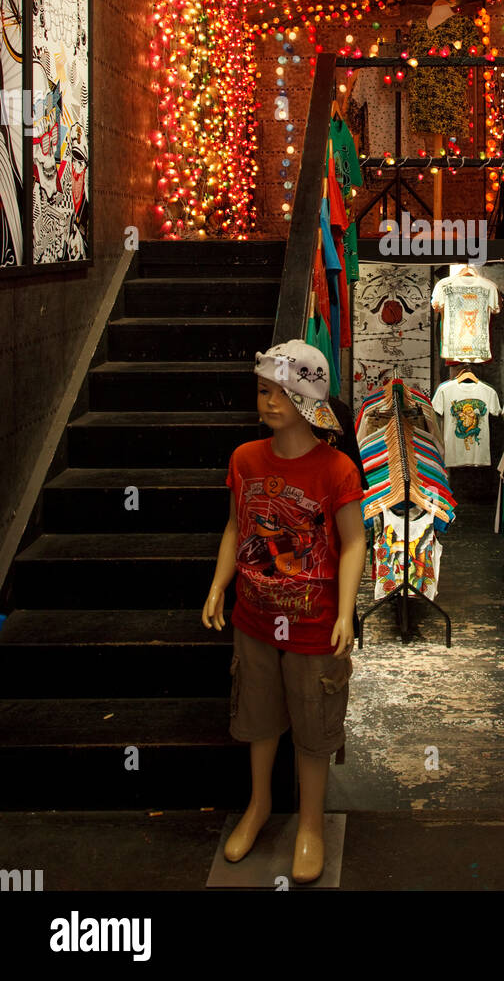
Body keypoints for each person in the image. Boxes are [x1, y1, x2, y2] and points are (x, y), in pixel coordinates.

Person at [202, 340, 365, 884]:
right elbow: (236, 526)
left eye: (282, 392)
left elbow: (354, 543)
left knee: (314, 726)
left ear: (309, 398)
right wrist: (219, 585)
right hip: (253, 618)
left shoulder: (336, 469)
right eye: (263, 390)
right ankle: (259, 805)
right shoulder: (245, 459)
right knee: (259, 718)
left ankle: (311, 824)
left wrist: (345, 612)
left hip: (315, 623)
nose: (269, 402)